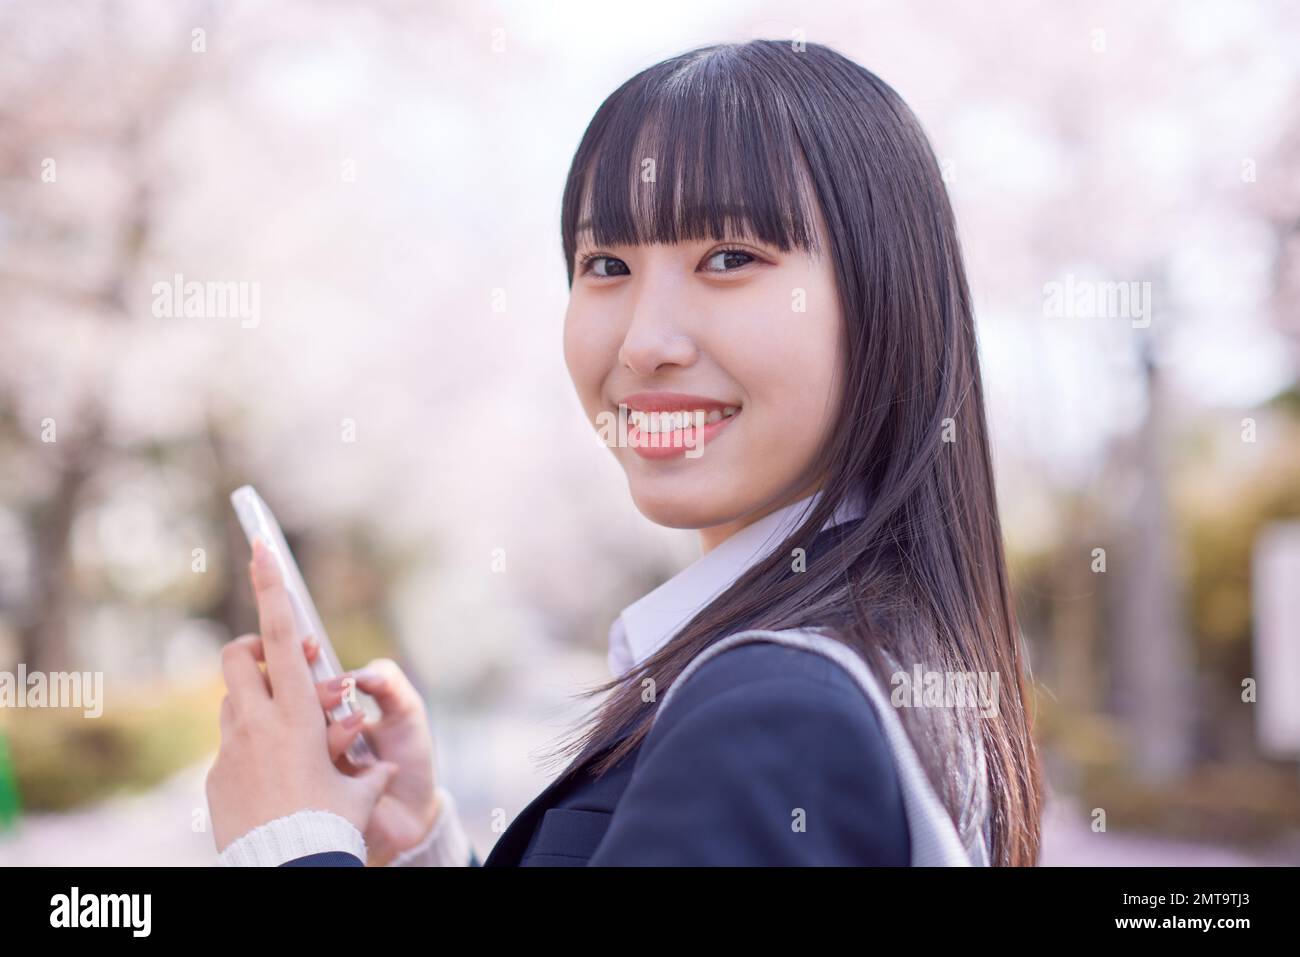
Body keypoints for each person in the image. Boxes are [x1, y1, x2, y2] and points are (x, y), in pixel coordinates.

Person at [206, 38, 1043, 867]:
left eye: (728, 258)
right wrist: (423, 844)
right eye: (605, 264)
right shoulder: (871, 663)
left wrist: (291, 845)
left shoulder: (780, 713)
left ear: (886, 300)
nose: (643, 343)